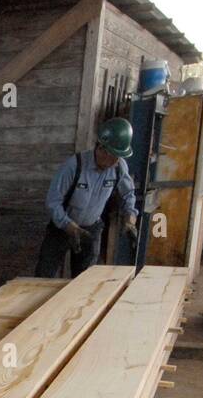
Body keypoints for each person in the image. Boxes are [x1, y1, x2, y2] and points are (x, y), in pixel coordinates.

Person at [35, 118, 138, 278]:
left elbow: (128, 194)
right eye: (114, 156)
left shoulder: (119, 167)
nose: (117, 161)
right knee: (44, 276)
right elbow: (52, 202)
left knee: (83, 282)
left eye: (120, 156)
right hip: (62, 228)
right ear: (102, 148)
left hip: (91, 230)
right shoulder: (74, 166)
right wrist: (70, 227)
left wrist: (130, 219)